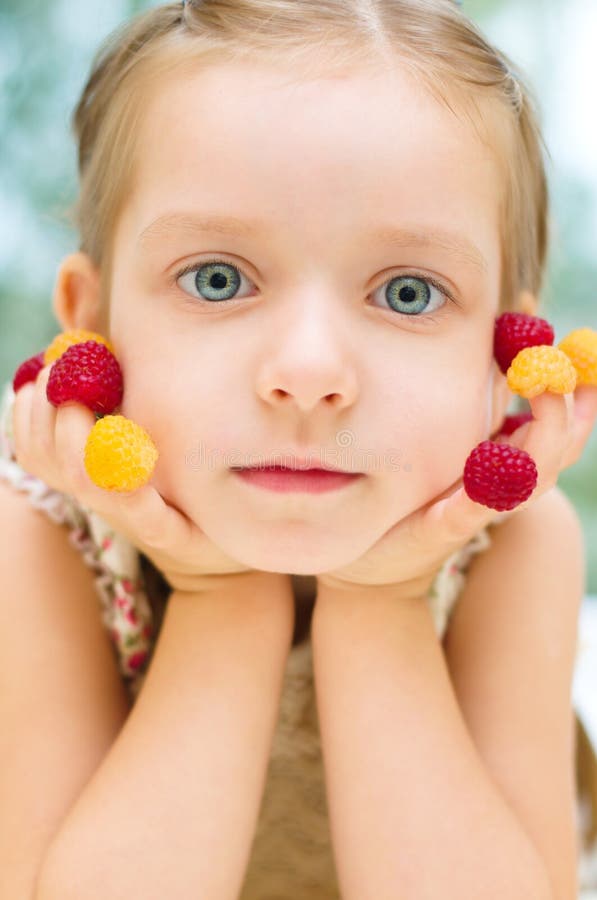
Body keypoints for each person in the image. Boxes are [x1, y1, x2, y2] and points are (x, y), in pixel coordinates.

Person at [0, 0, 596, 896]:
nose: (309, 372)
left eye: (405, 293)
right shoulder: (38, 539)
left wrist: (384, 601)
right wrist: (215, 596)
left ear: (507, 352)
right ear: (92, 321)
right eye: (217, 278)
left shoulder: (518, 545)